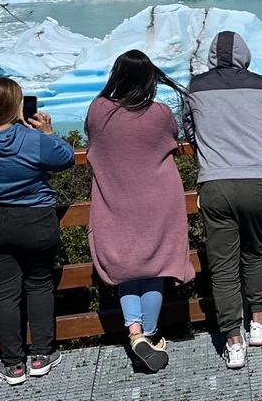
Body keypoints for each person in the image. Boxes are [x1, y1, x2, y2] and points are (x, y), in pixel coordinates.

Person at [0, 78, 76, 386]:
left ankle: (13, 365)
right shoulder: (34, 140)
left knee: (3, 291)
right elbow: (65, 158)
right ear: (15, 107)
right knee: (39, 284)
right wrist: (47, 133)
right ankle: (41, 355)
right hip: (34, 221)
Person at [184, 31, 262, 370]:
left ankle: (234, 342)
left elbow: (189, 132)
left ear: (213, 57)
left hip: (214, 185)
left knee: (223, 266)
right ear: (245, 55)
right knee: (257, 251)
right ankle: (258, 325)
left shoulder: (195, 88)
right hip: (256, 181)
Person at [85, 50, 195, 373]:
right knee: (154, 269)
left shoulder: (98, 112)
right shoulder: (160, 114)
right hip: (159, 203)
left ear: (117, 77)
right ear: (149, 80)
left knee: (126, 270)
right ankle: (148, 335)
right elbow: (172, 138)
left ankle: (136, 334)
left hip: (116, 202)